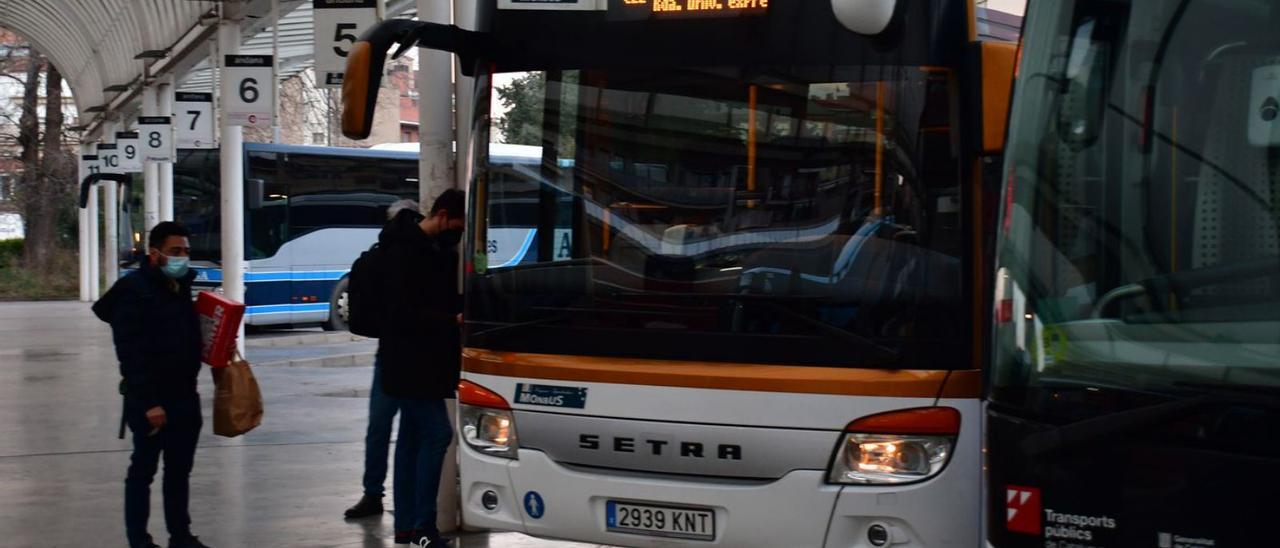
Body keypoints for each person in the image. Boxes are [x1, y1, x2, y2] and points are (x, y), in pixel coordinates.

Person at [92, 221, 211, 548]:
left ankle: (181, 536)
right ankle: (139, 541)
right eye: (175, 251)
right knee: (143, 472)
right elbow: (130, 353)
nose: (182, 257)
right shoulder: (134, 291)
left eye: (186, 251)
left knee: (178, 472)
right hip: (152, 400)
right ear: (154, 253)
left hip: (185, 396)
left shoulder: (180, 287)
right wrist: (148, 403)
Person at [377, 190, 465, 546]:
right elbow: (401, 312)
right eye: (457, 226)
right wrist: (450, 319)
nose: (457, 234)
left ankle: (408, 527)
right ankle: (425, 529)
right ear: (442, 216)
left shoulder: (434, 251)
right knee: (438, 434)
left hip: (422, 364)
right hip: (408, 364)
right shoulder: (404, 252)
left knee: (412, 440)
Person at [344, 199, 419, 519]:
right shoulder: (383, 255)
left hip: (412, 356)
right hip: (393, 354)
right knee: (384, 427)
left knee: (403, 429)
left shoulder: (423, 255)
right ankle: (375, 494)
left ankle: (396, 496)